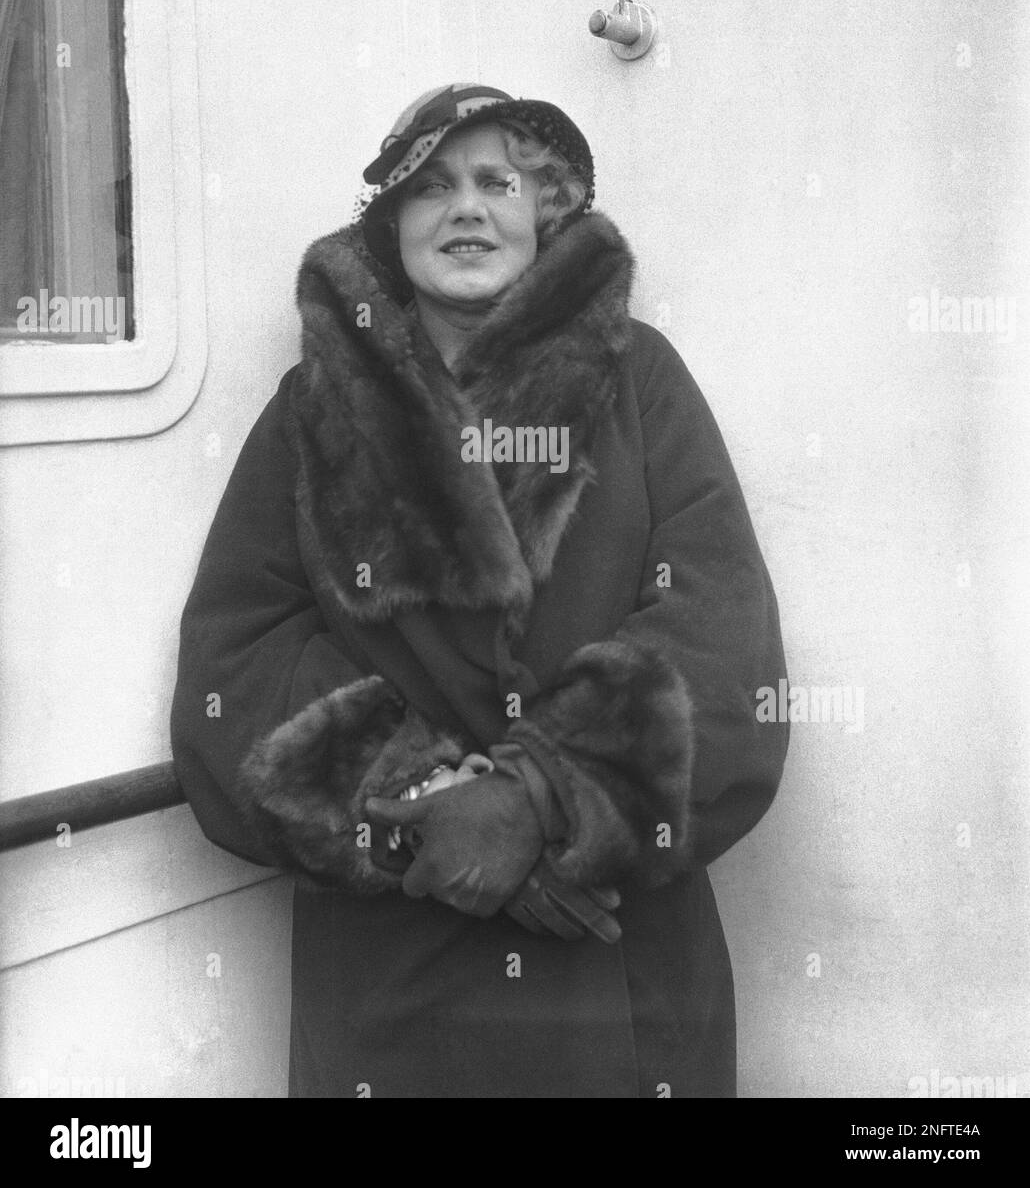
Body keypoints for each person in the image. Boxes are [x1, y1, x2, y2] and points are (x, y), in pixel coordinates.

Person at [170, 82, 789, 1099]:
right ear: (390, 224)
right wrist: (425, 803)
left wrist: (543, 795)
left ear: (546, 216)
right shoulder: (310, 414)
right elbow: (237, 662)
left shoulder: (642, 383)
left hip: (613, 961)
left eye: (498, 181)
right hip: (393, 976)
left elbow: (722, 639)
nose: (467, 207)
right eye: (432, 186)